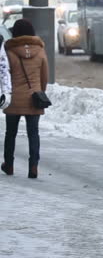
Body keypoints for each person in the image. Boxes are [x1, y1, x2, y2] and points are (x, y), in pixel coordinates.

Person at [2, 19, 48, 179]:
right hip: (34, 98)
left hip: (14, 98)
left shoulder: (8, 51)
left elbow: (4, 74)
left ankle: (9, 164)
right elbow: (44, 77)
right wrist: (39, 92)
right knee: (33, 134)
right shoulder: (40, 50)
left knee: (11, 133)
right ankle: (33, 166)